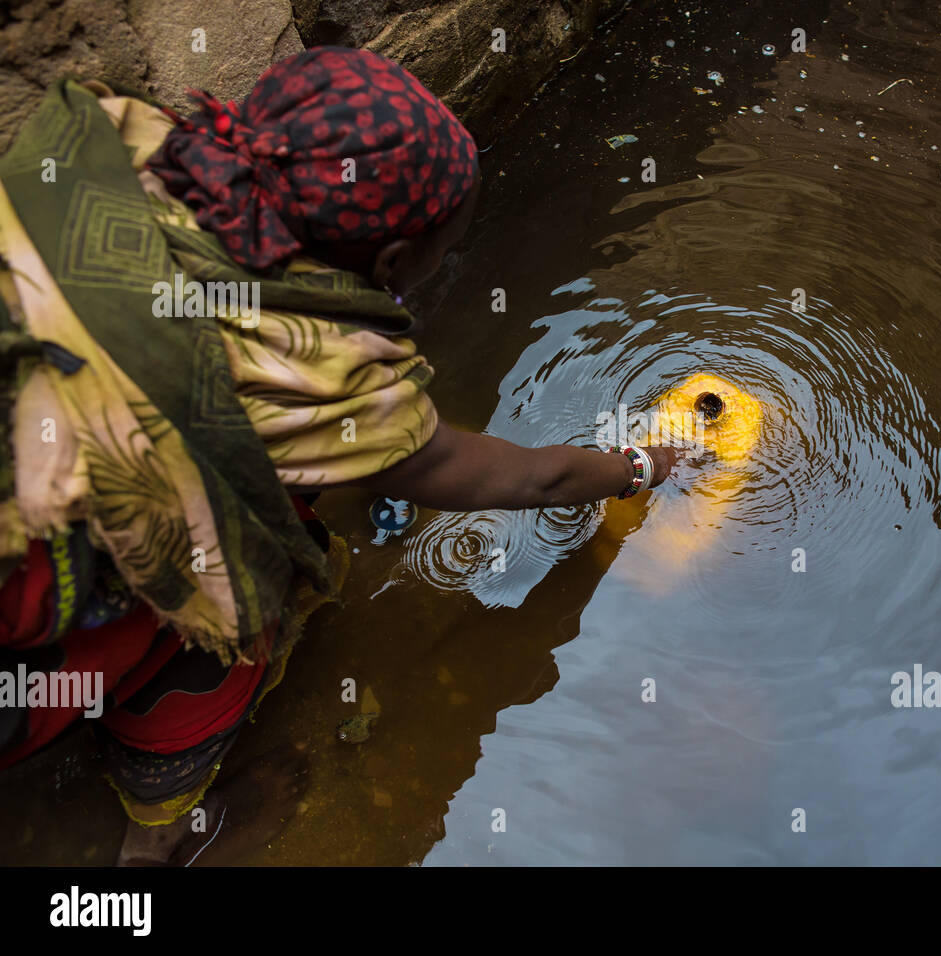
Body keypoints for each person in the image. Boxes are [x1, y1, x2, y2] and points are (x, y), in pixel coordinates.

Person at [0, 47, 678, 865]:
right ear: (393, 263)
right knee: (229, 602)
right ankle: (165, 835)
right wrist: (639, 467)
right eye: (436, 250)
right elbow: (527, 477)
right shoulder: (319, 378)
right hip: (27, 613)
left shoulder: (114, 142)